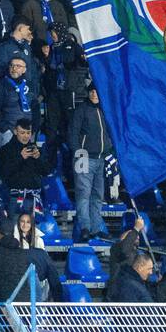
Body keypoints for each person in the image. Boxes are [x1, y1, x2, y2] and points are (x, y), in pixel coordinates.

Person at [68, 86, 110, 241]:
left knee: (97, 195)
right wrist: (79, 153)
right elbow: (72, 133)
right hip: (84, 157)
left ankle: (96, 228)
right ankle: (85, 227)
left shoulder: (105, 109)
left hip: (101, 158)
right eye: (91, 91)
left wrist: (109, 148)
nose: (94, 94)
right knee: (83, 194)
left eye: (97, 91)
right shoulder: (81, 109)